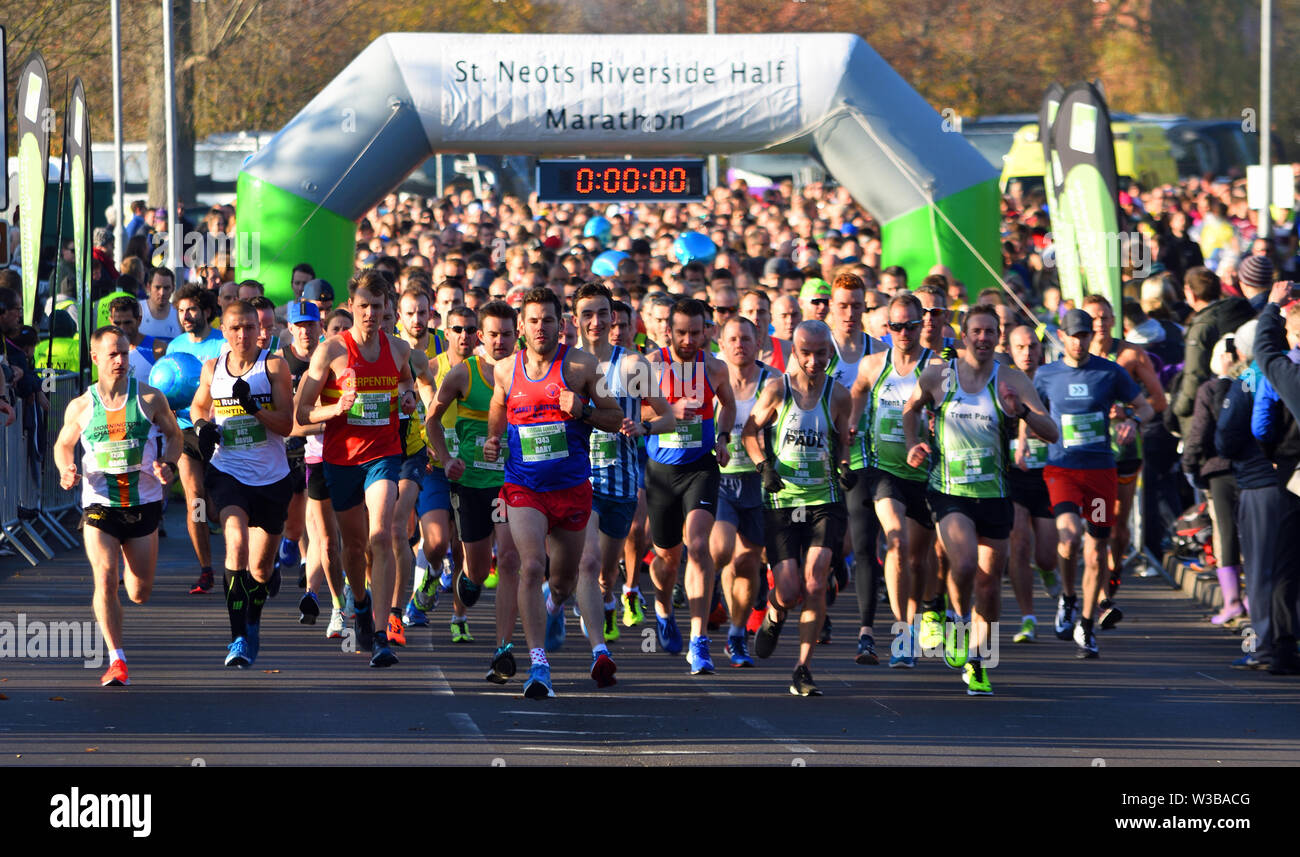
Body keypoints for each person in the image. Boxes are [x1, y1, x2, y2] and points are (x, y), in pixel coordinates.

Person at [903, 303, 1057, 694]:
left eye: (991, 332)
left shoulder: (1011, 379)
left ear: (997, 337)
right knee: (966, 562)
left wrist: (1020, 411)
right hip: (949, 490)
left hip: (995, 494)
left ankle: (978, 661)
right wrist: (912, 442)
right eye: (977, 331)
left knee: (989, 586)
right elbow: (911, 410)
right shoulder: (940, 373)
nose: (984, 338)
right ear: (965, 334)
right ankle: (954, 618)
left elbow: (1051, 432)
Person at [482, 287, 626, 699]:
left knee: (562, 581)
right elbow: (497, 404)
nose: (540, 327)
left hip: (572, 490)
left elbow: (615, 419)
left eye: (548, 320)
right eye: (532, 321)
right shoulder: (507, 370)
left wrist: (580, 410)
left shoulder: (580, 365)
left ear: (560, 324)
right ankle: (538, 663)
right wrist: (494, 439)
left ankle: (552, 605)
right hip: (524, 487)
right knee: (530, 566)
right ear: (521, 327)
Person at [294, 270, 419, 668]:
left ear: (387, 310)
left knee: (381, 535)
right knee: (354, 546)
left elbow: (405, 386)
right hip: (340, 458)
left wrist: (408, 398)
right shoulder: (330, 351)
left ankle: (381, 635)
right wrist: (336, 409)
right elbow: (301, 411)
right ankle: (360, 604)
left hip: (383, 455)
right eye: (362, 306)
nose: (369, 313)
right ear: (351, 306)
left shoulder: (398, 350)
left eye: (377, 307)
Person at [53, 326, 182, 686]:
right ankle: (117, 658)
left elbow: (175, 436)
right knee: (105, 577)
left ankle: (129, 561)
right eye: (112, 354)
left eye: (124, 353)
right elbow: (63, 445)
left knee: (139, 593)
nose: (121, 360)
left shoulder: (151, 400)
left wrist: (169, 465)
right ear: (95, 358)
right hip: (100, 503)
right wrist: (66, 468)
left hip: (143, 502)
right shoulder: (81, 406)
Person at [1034, 309, 1153, 658]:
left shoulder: (1109, 371)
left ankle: (1085, 623)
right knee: (1069, 539)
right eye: (1073, 335)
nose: (1079, 341)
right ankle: (1068, 597)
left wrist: (1131, 419)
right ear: (1062, 335)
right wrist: (1025, 435)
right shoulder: (1046, 375)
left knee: (1097, 548)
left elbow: (1146, 407)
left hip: (1101, 472)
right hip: (1062, 470)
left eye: (1084, 335)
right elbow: (1032, 412)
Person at [744, 321, 854, 696]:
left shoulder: (838, 395)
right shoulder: (778, 389)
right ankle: (775, 612)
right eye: (806, 352)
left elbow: (843, 440)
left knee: (815, 581)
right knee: (790, 590)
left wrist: (844, 467)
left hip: (824, 500)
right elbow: (749, 431)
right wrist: (764, 467)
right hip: (784, 500)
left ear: (830, 353)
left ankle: (803, 667)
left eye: (821, 353)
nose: (813, 360)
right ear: (794, 351)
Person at [190, 300, 296, 667]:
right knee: (235, 542)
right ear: (224, 330)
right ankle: (236, 637)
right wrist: (203, 427)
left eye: (249, 328)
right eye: (235, 328)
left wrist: (255, 409)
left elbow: (287, 425)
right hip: (228, 471)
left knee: (261, 569)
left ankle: (252, 622)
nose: (243, 335)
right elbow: (197, 407)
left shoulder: (274, 366)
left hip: (271, 476)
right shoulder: (212, 368)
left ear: (259, 330)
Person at [426, 300, 524, 684]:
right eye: (493, 334)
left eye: (507, 334)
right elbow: (432, 418)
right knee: (478, 572)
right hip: (470, 486)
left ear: (517, 335)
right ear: (481, 336)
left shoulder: (526, 373)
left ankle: (503, 650)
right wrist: (447, 457)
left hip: (510, 486)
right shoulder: (462, 375)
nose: (500, 341)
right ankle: (460, 594)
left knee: (512, 559)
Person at [571, 285, 673, 650]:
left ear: (613, 318)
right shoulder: (566, 363)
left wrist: (643, 427)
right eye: (588, 314)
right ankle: (595, 643)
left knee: (606, 571)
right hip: (578, 479)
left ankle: (609, 600)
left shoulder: (632, 364)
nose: (596, 322)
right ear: (575, 320)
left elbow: (668, 418)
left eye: (603, 314)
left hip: (622, 482)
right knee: (587, 559)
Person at [847, 293, 941, 667]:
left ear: (922, 325)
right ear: (887, 329)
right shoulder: (873, 365)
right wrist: (853, 421)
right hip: (885, 471)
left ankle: (922, 616)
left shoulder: (935, 367)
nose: (904, 332)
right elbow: (856, 390)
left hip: (928, 474)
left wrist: (934, 425)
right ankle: (902, 631)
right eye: (896, 326)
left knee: (921, 558)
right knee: (897, 543)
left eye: (911, 325)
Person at [644, 298, 737, 674]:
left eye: (695, 332)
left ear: (707, 331)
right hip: (662, 470)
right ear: (669, 330)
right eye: (680, 332)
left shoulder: (715, 367)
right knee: (667, 558)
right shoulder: (652, 365)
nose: (687, 339)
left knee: (699, 545)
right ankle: (663, 607)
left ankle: (699, 641)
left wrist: (724, 437)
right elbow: (635, 410)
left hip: (701, 467)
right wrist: (668, 410)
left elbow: (728, 405)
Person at [711, 316, 771, 667]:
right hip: (720, 479)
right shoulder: (711, 378)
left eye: (746, 339)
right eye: (732, 338)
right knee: (720, 549)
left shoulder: (773, 382)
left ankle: (736, 633)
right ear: (722, 342)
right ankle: (711, 604)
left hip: (757, 481)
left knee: (748, 561)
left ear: (757, 341)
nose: (739, 345)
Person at [165, 284, 226, 594]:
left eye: (191, 310)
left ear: (206, 312)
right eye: (180, 311)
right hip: (185, 430)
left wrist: (210, 417)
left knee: (217, 508)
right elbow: (168, 387)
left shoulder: (222, 343)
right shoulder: (174, 346)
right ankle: (206, 570)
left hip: (217, 430)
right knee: (195, 499)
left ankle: (238, 562)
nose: (185, 316)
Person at [1005, 325, 1063, 643]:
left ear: (1040, 350)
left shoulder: (1053, 379)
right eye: (1020, 347)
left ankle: (1048, 569)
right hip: (1014, 473)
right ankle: (1028, 617)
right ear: (1010, 351)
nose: (1027, 353)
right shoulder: (1001, 381)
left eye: (1032, 347)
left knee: (1045, 552)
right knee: (1019, 543)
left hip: (1049, 471)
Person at [107, 297, 162, 381]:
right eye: (117, 323)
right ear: (111, 321)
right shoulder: (105, 350)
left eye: (127, 323)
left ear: (139, 320)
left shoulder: (158, 350)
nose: (122, 328)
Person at [137, 268, 180, 341]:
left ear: (173, 288)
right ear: (148, 287)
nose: (162, 293)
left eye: (166, 288)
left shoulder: (179, 313)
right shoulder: (137, 309)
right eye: (157, 287)